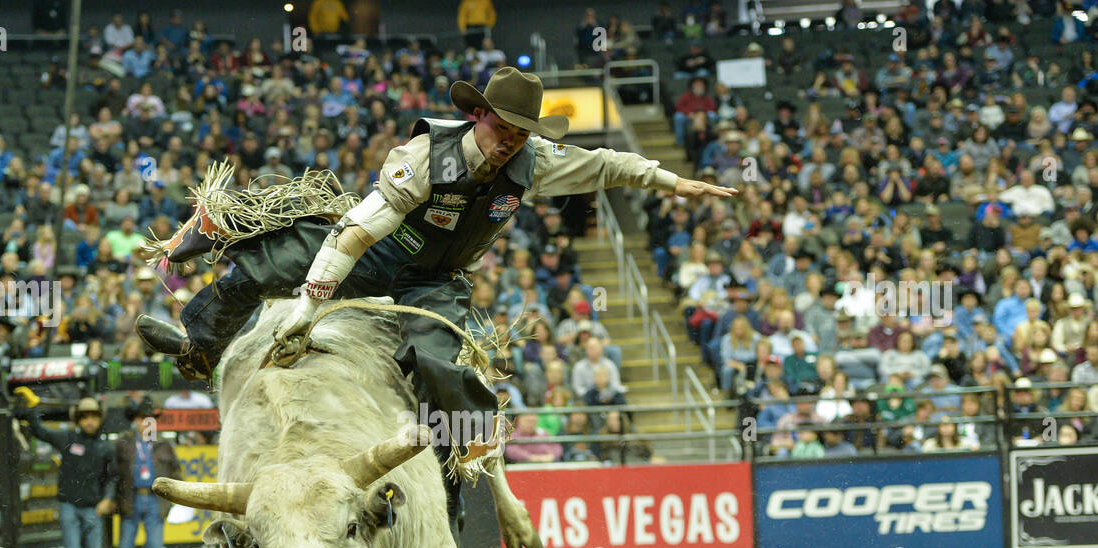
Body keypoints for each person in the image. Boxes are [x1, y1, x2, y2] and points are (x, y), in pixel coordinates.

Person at [137, 66, 735, 520]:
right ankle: (199, 344)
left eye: (520, 135)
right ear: (479, 118)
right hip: (377, 253)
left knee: (443, 367)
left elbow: (603, 163)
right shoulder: (423, 157)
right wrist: (306, 310)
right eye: (502, 130)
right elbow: (353, 233)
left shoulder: (532, 162)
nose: (508, 144)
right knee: (271, 257)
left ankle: (466, 494)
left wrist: (671, 181)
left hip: (436, 282)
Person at [17, 396, 117, 548]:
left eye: (93, 417)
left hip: (92, 507)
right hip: (69, 505)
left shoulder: (106, 447)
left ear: (99, 419)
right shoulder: (67, 438)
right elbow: (40, 431)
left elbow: (112, 477)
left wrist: (107, 498)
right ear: (79, 419)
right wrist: (33, 409)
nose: (89, 421)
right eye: (85, 417)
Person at [112, 398, 179, 548]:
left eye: (148, 419)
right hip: (131, 499)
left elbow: (177, 473)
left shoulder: (163, 445)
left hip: (154, 500)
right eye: (141, 419)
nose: (145, 423)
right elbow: (113, 473)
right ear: (135, 421)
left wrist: (170, 501)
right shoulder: (122, 443)